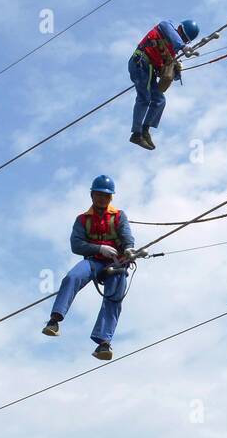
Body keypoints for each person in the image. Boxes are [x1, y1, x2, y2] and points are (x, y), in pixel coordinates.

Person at [41, 175, 140, 360]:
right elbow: (76, 245)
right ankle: (54, 321)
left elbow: (127, 237)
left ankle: (104, 342)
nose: (102, 198)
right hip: (93, 262)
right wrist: (99, 248)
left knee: (115, 296)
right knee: (72, 277)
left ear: (111, 198)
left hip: (116, 263)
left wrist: (128, 250)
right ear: (92, 195)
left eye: (106, 196)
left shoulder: (119, 216)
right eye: (99, 194)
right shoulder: (82, 219)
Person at [128, 18, 200, 150]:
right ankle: (136, 134)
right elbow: (164, 25)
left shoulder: (171, 52)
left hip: (149, 71)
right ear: (178, 29)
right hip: (140, 63)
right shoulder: (166, 27)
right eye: (182, 36)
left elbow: (165, 71)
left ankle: (145, 130)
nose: (182, 39)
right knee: (144, 98)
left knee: (160, 100)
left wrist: (176, 71)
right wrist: (183, 47)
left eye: (184, 39)